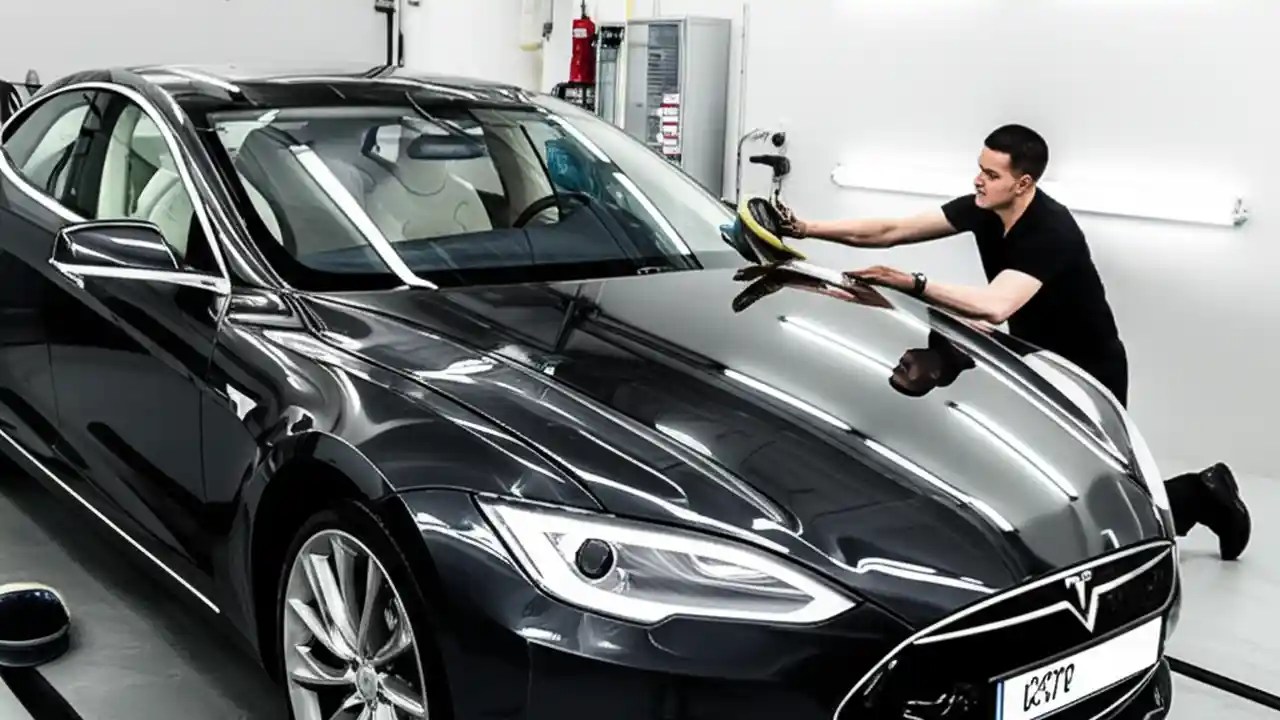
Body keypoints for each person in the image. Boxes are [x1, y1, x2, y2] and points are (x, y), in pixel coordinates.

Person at [777, 123, 1250, 560]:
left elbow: (995, 305)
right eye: (979, 169)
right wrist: (805, 228)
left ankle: (1202, 494)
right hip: (1034, 356)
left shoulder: (1051, 231)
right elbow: (893, 230)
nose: (978, 181)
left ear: (1023, 183)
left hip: (1087, 371)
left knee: (1109, 495)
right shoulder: (984, 209)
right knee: (1054, 479)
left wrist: (911, 283)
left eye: (990, 173)